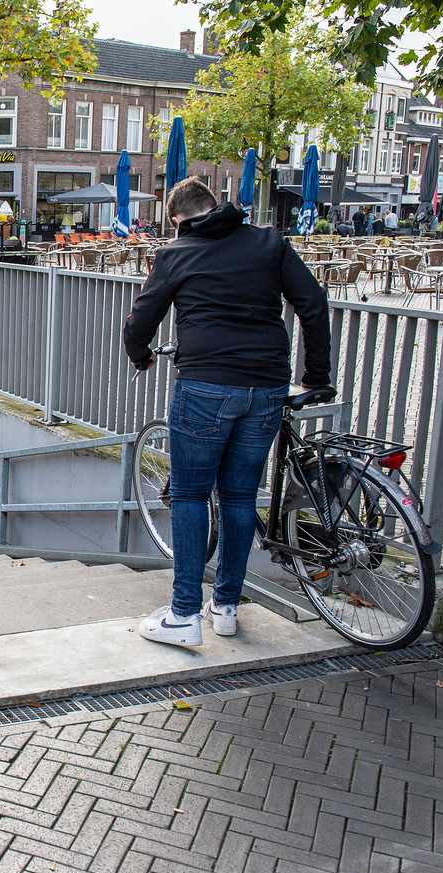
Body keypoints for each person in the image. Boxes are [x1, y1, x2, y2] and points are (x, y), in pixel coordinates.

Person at [123, 177, 332, 646]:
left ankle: (183, 615)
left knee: (191, 495)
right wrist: (316, 375)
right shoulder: (268, 242)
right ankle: (225, 607)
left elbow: (139, 324)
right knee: (239, 497)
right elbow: (313, 303)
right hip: (268, 386)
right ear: (214, 204)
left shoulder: (177, 252)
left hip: (206, 386)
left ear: (178, 220)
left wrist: (142, 357)